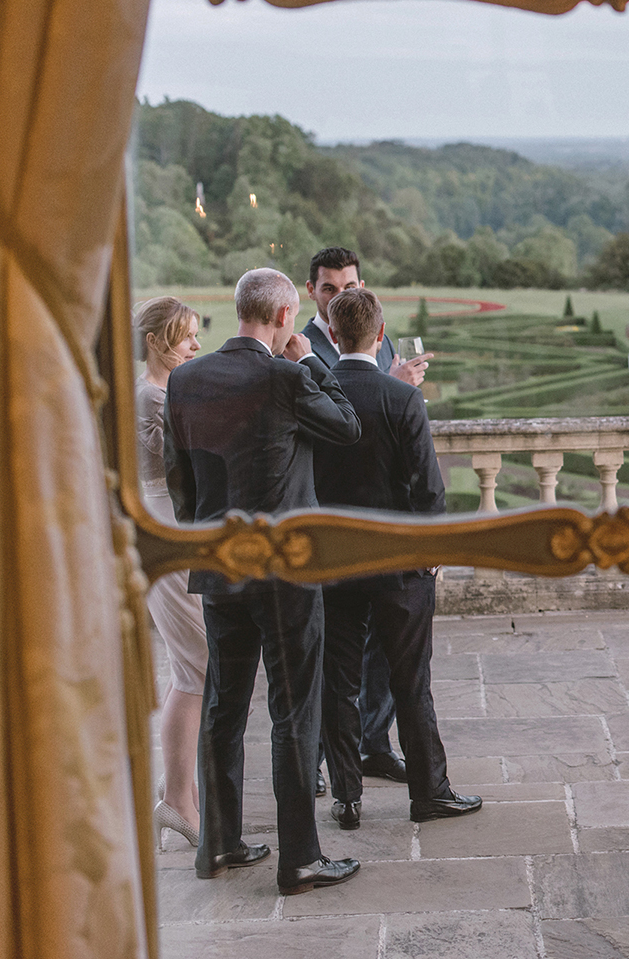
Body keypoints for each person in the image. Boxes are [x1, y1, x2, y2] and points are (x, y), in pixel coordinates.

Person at [165, 268, 363, 895]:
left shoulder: (185, 378)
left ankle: (218, 846)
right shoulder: (285, 375)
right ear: (284, 318)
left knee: (223, 707)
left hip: (218, 564)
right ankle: (300, 858)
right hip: (284, 575)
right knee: (293, 712)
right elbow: (348, 426)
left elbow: (181, 482)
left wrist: (206, 539)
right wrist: (311, 362)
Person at [313, 289, 482, 829]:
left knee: (336, 682)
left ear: (333, 335)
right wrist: (430, 553)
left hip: (333, 561)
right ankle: (429, 793)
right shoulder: (402, 398)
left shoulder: (314, 392)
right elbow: (428, 490)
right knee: (411, 680)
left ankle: (345, 798)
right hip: (397, 561)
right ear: (381, 336)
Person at [302, 246, 434, 790]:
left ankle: (363, 764)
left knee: (366, 665)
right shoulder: (299, 351)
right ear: (311, 292)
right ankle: (326, 767)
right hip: (363, 537)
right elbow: (426, 483)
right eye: (330, 287)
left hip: (358, 538)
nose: (341, 295)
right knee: (358, 669)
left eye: (349, 285)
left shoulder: (345, 350)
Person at [135, 296, 208, 849]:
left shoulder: (159, 394)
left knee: (192, 670)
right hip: (167, 531)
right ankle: (178, 800)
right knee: (198, 668)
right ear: (161, 341)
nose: (197, 347)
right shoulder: (150, 398)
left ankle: (176, 794)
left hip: (171, 531)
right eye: (188, 338)